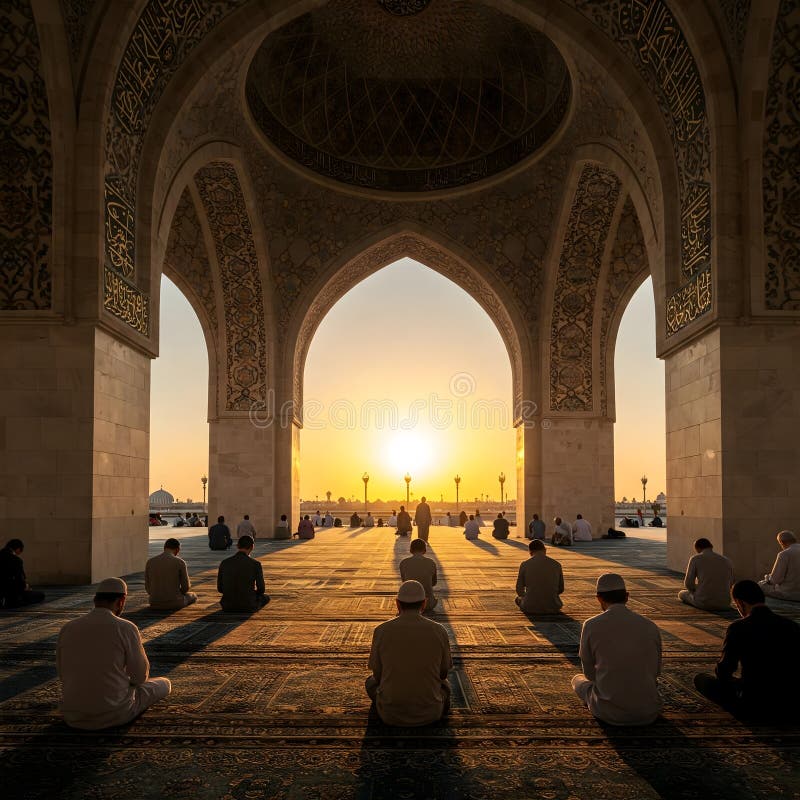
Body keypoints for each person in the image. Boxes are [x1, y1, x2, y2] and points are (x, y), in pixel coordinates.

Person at [57, 577, 171, 729]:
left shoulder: (68, 627)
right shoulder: (125, 627)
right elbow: (140, 676)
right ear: (121, 601)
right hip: (115, 713)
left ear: (95, 600)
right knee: (164, 683)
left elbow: (62, 673)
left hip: (73, 715)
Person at [694, 580, 800, 720]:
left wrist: (738, 684)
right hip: (792, 707)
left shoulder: (738, 627)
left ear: (740, 603)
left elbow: (724, 671)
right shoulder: (791, 626)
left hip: (753, 707)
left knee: (702, 679)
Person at [571, 573, 662, 725]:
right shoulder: (650, 626)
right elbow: (656, 672)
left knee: (577, 680)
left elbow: (589, 674)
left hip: (608, 711)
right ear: (627, 596)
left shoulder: (591, 625)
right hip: (648, 712)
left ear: (599, 598)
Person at [365, 580, 452, 726]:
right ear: (424, 604)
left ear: (397, 604)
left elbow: (378, 677)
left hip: (389, 713)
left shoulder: (381, 630)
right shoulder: (439, 631)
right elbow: (443, 674)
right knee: (447, 686)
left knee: (370, 682)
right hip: (430, 712)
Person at [678, 538, 734, 611]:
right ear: (711, 546)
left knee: (681, 593)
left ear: (697, 548)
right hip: (724, 603)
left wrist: (696, 590)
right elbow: (731, 583)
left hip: (704, 602)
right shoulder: (726, 560)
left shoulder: (695, 559)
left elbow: (688, 583)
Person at [217, 535, 269, 612]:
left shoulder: (225, 563)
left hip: (227, 605)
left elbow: (220, 588)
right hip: (248, 605)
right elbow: (261, 589)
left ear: (238, 546)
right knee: (266, 597)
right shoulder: (255, 564)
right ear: (252, 547)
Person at [144, 538, 197, 610]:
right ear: (178, 549)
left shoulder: (150, 562)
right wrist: (177, 594)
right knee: (193, 595)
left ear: (164, 548)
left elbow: (147, 587)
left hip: (154, 603)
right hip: (175, 602)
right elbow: (186, 587)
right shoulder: (180, 562)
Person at [515, 540, 564, 614]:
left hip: (530, 606)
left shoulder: (525, 564)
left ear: (530, 552)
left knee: (517, 599)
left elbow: (519, 590)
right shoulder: (556, 564)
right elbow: (561, 589)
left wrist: (528, 596)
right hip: (553, 605)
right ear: (545, 550)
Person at [0, 538, 45, 608]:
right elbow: (19, 579)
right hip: (11, 594)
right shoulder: (16, 560)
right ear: (18, 549)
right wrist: (25, 587)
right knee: (40, 595)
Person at [759, 530, 800, 601]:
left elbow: (775, 580)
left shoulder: (784, 554)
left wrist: (767, 578)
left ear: (782, 542)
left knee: (760, 585)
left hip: (789, 593)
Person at [400, 539, 438, 612]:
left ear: (411, 549)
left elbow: (404, 582)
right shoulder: (431, 562)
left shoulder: (404, 562)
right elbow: (434, 583)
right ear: (424, 550)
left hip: (407, 604)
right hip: (427, 604)